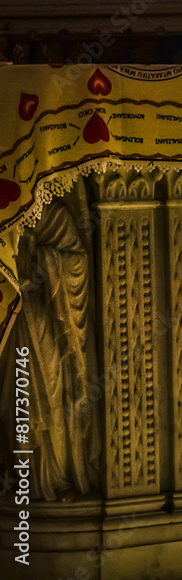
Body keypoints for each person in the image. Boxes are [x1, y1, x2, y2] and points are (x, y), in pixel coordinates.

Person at [1, 200, 98, 500]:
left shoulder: (51, 214)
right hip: (10, 318)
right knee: (13, 399)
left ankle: (53, 477)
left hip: (44, 318)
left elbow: (77, 260)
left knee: (47, 395)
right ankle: (18, 475)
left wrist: (43, 261)